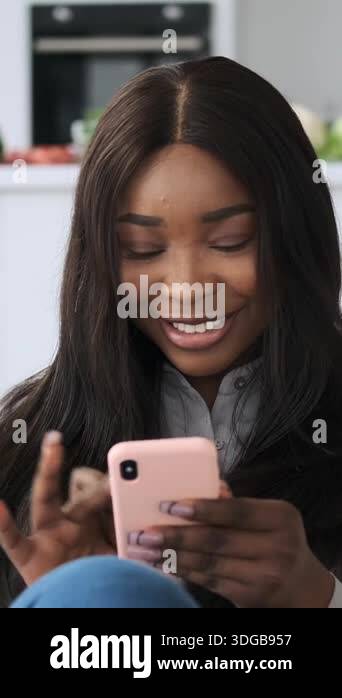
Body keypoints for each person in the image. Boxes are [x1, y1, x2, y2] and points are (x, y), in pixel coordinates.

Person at [1, 55, 342, 608]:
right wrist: (70, 609)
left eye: (230, 241)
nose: (185, 288)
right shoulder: (22, 452)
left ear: (296, 235)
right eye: (143, 250)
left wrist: (320, 598)